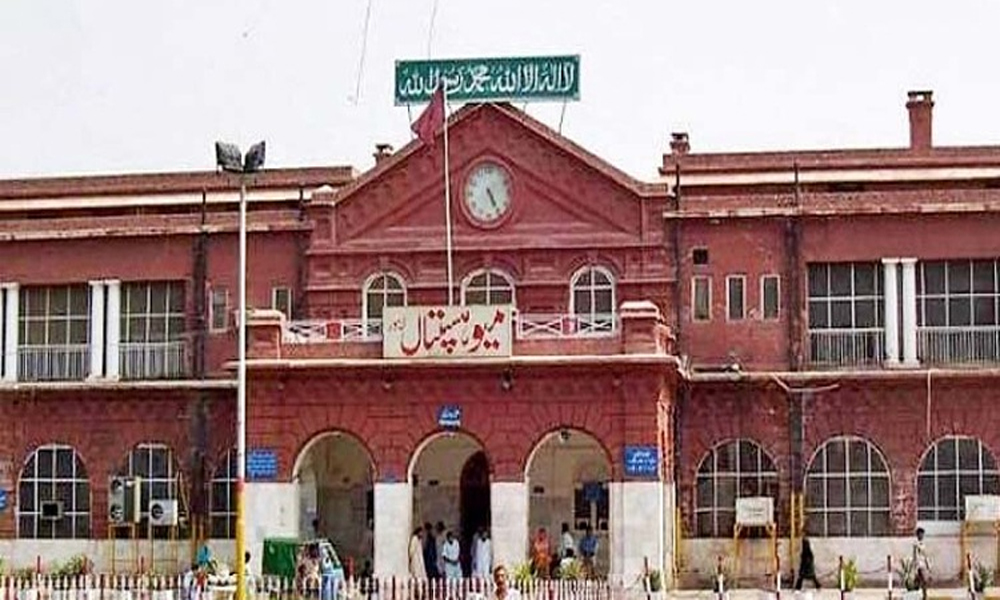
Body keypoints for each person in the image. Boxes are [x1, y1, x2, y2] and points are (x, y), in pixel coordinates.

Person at [913, 527, 931, 599]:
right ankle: (923, 596)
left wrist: (928, 565)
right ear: (918, 535)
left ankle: (921, 595)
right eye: (921, 534)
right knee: (923, 580)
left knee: (920, 581)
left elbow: (925, 555)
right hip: (919, 564)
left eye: (923, 534)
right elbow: (915, 555)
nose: (922, 536)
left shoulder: (923, 544)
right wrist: (915, 566)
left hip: (923, 564)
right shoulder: (916, 544)